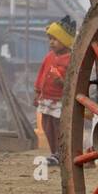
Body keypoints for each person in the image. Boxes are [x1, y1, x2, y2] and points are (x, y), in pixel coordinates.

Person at [34, 16, 76, 165]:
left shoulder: (71, 59)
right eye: (50, 39)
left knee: (59, 125)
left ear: (65, 41)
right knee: (46, 124)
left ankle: (61, 152)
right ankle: (54, 152)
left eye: (55, 39)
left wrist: (62, 81)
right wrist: (37, 92)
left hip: (60, 99)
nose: (51, 42)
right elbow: (41, 75)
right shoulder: (49, 57)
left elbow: (73, 81)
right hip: (46, 98)